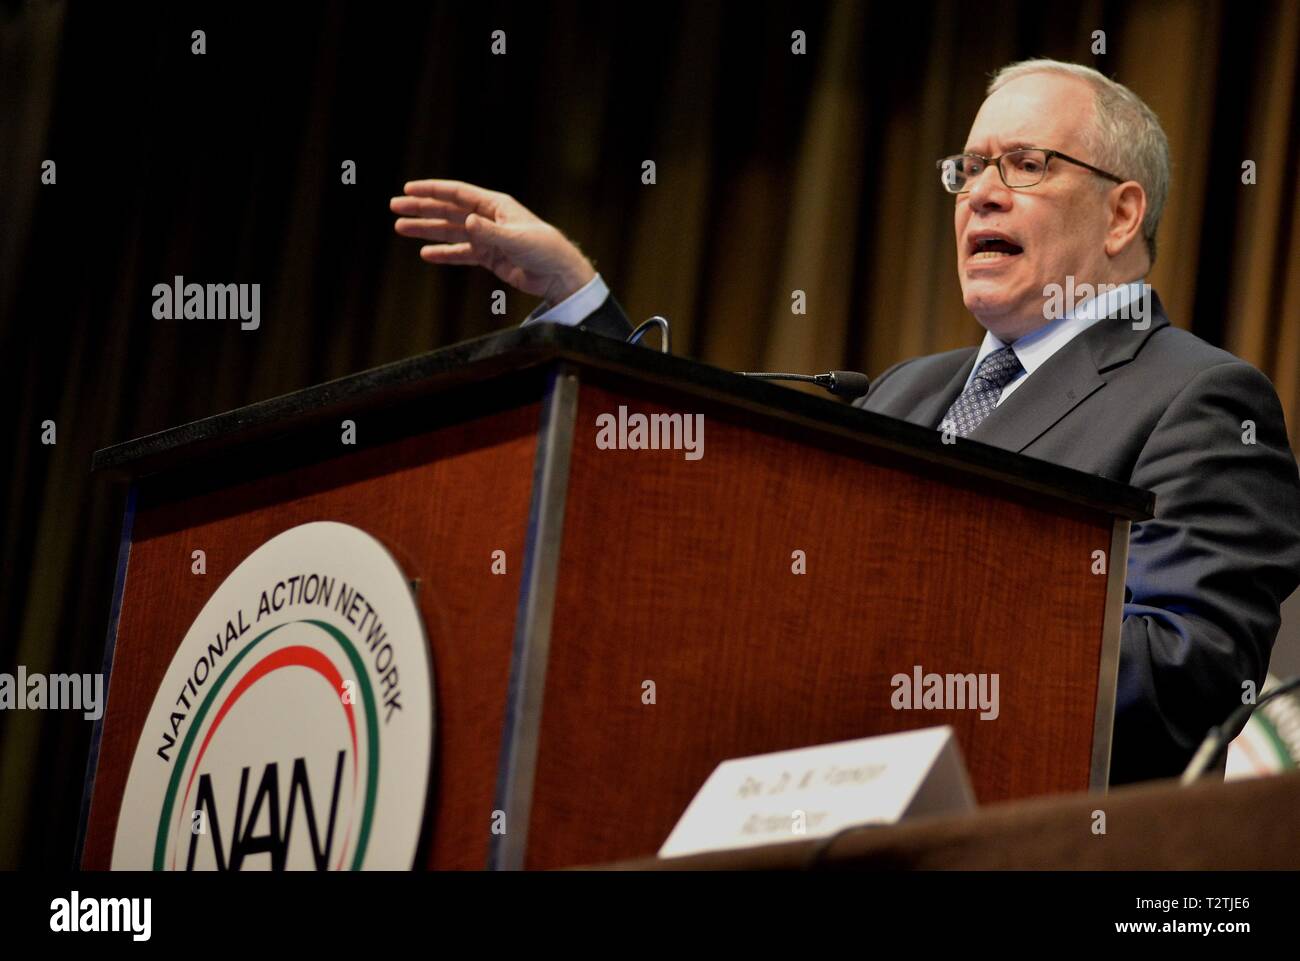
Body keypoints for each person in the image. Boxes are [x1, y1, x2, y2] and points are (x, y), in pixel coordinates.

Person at [390, 59, 1300, 785]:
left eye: (1027, 165)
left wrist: (902, 627)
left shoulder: (1202, 398)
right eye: (970, 167)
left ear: (1122, 212)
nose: (981, 193)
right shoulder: (907, 392)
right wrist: (580, 304)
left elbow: (1189, 682)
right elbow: (735, 522)